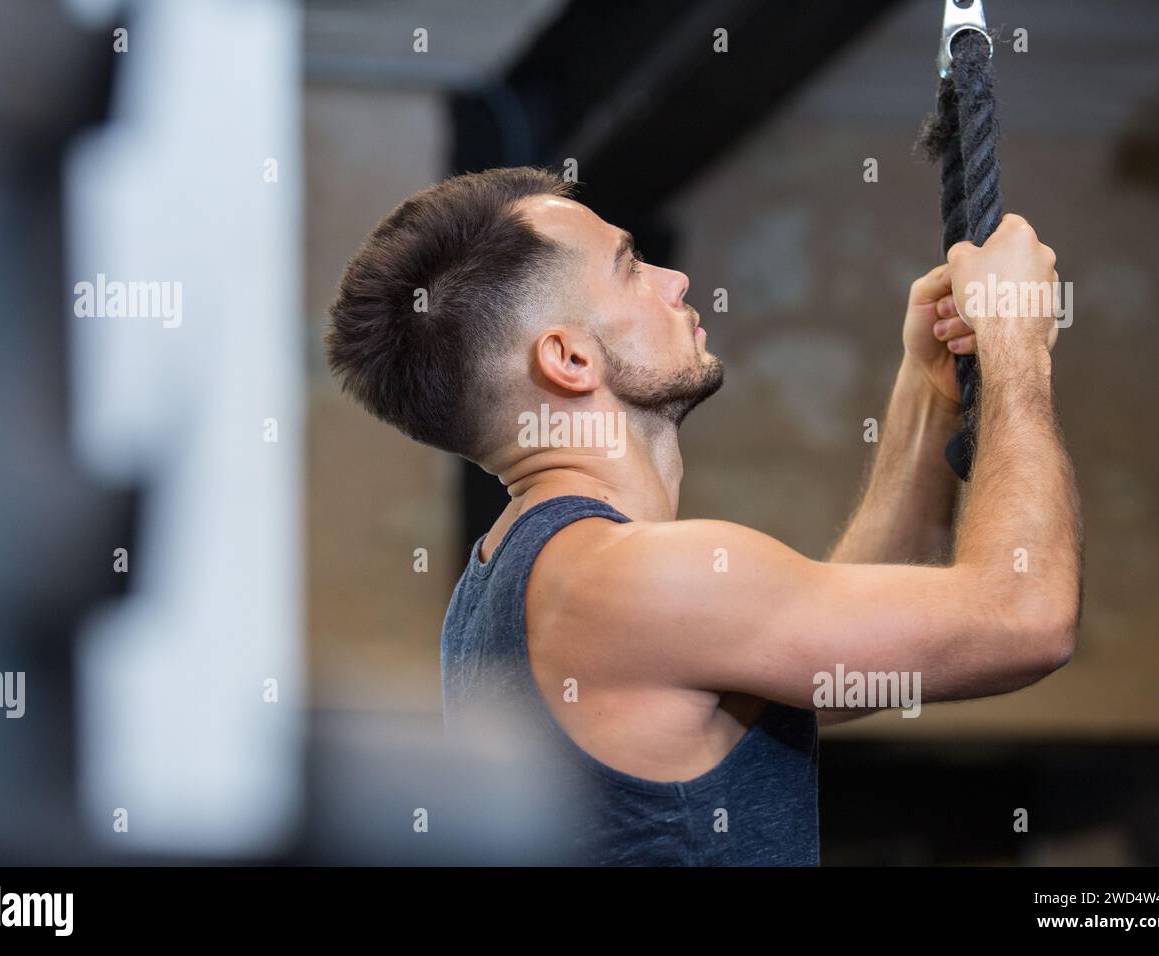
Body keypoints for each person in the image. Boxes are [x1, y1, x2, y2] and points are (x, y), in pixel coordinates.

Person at [325, 167, 1082, 865]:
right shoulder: (633, 578)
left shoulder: (508, 580)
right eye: (629, 267)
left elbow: (822, 654)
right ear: (571, 361)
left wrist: (928, 393)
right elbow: (1026, 619)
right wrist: (1019, 342)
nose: (675, 279)